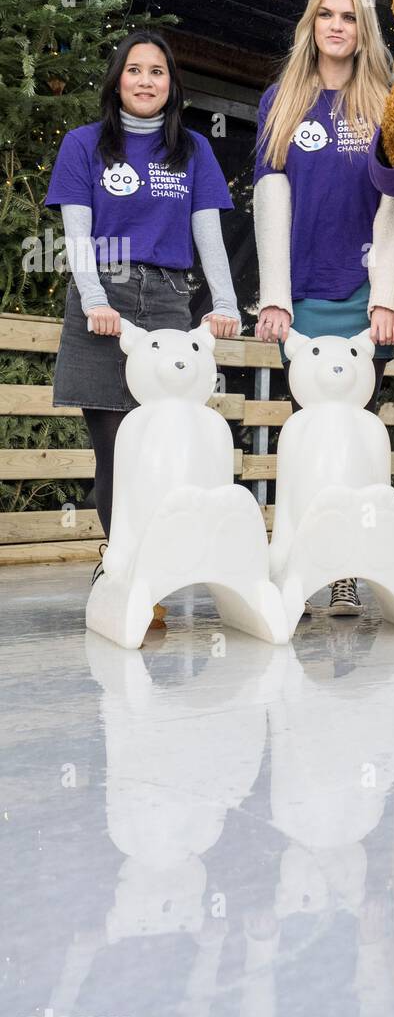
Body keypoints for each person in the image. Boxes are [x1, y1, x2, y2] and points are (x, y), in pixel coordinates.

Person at [46, 30, 241, 616]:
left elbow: (209, 234)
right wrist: (94, 301)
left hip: (166, 306)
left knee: (161, 444)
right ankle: (120, 559)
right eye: (135, 70)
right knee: (114, 447)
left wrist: (227, 304)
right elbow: (78, 237)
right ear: (118, 79)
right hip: (102, 301)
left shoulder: (194, 151)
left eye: (158, 72)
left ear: (171, 85)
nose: (146, 81)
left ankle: (162, 558)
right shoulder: (84, 146)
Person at [252, 0, 394, 616]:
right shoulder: (282, 99)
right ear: (312, 25)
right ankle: (297, 562)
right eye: (327, 15)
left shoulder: (386, 100)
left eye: (349, 16)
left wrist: (387, 298)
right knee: (307, 437)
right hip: (302, 299)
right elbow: (271, 197)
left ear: (363, 28)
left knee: (355, 439)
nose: (338, 26)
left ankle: (347, 569)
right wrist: (273, 296)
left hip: (361, 297)